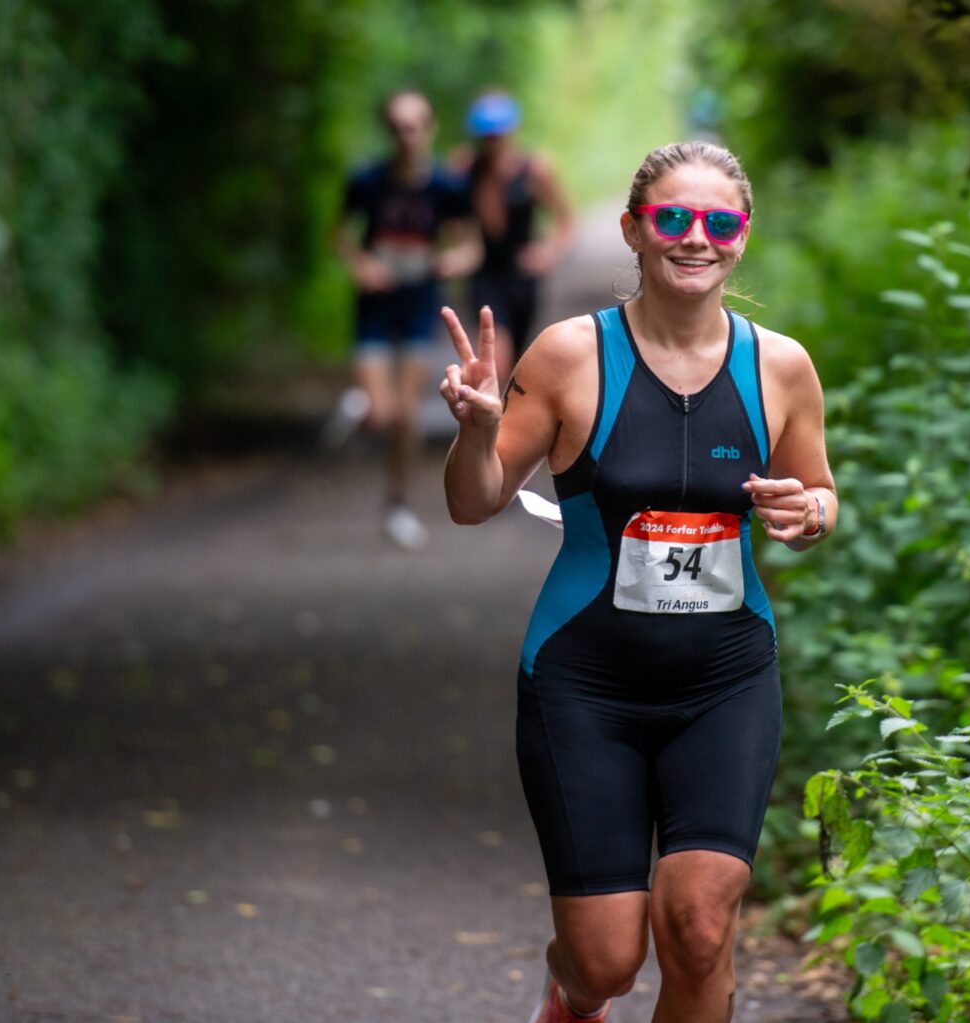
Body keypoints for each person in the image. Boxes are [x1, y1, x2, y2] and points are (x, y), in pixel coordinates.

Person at [438, 141, 837, 1023]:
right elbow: (475, 502)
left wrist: (808, 514)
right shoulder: (570, 356)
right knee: (607, 963)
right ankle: (571, 991)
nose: (698, 238)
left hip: (725, 678)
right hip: (585, 684)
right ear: (633, 229)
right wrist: (478, 431)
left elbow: (820, 496)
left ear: (742, 238)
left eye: (721, 221)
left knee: (698, 927)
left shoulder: (781, 367)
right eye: (673, 218)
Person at [331, 89, 479, 549]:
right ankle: (363, 411)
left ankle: (398, 506)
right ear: (388, 132)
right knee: (382, 413)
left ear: (430, 129)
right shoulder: (366, 180)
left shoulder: (448, 188)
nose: (406, 137)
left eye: (414, 127)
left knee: (404, 416)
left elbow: (472, 244)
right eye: (397, 128)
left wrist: (456, 261)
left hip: (420, 306)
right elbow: (340, 235)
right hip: (375, 306)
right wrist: (361, 266)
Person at [452, 90, 574, 383]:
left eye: (498, 134)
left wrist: (550, 252)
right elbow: (448, 216)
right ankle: (490, 425)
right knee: (495, 359)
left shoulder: (533, 169)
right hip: (485, 274)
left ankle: (508, 425)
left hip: (522, 277)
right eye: (486, 135)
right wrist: (460, 246)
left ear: (511, 132)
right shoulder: (464, 169)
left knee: (516, 363)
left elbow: (565, 218)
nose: (493, 142)